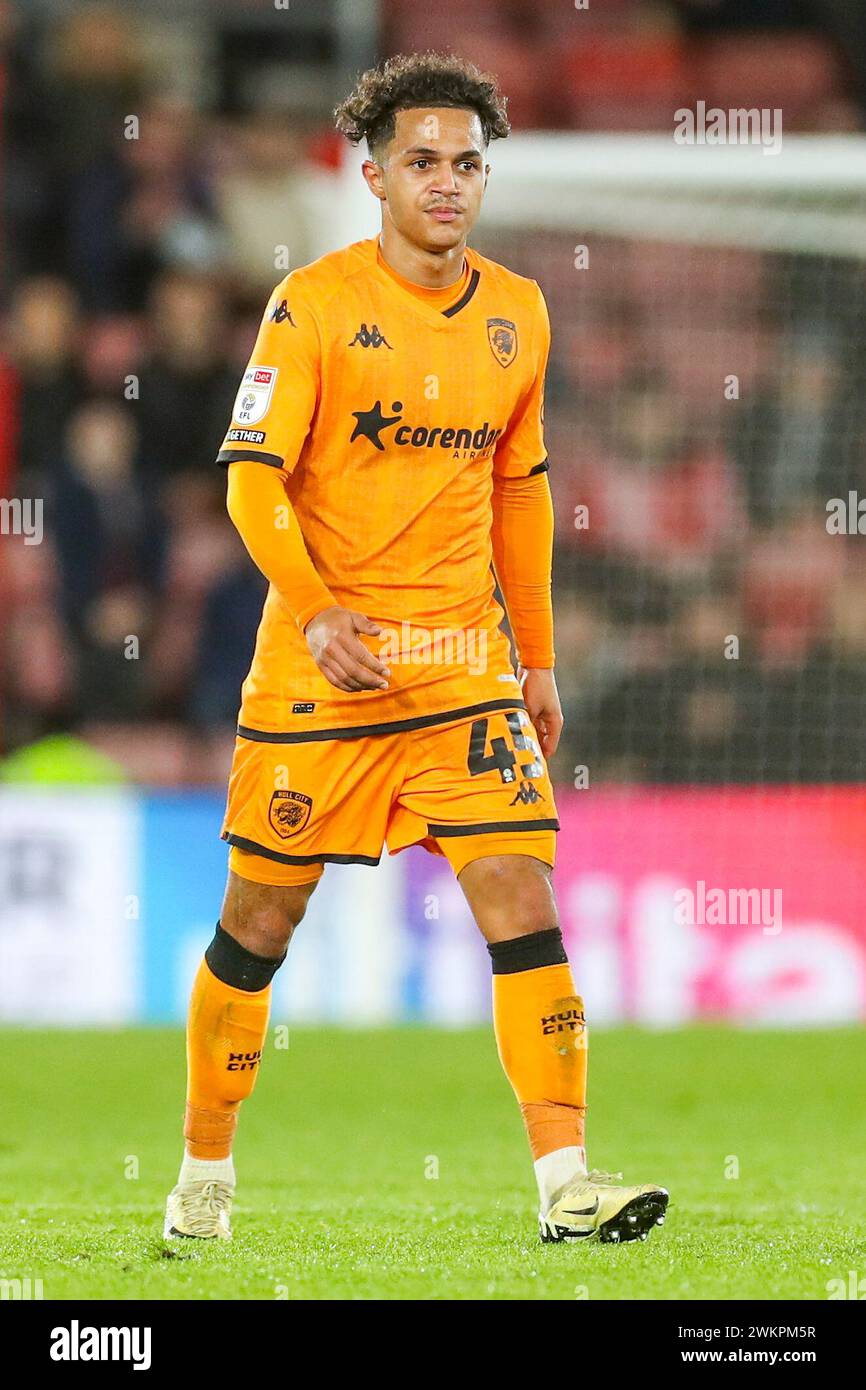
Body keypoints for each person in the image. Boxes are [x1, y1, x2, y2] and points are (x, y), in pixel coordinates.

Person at [164, 52, 668, 1246]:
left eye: (466, 164)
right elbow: (248, 480)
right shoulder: (315, 304)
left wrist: (535, 658)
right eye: (422, 163)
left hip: (462, 671)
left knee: (519, 892)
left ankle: (566, 1185)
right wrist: (316, 605)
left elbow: (522, 493)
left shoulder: (519, 313)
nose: (447, 184)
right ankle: (201, 1170)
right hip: (322, 676)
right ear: (374, 175)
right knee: (258, 923)